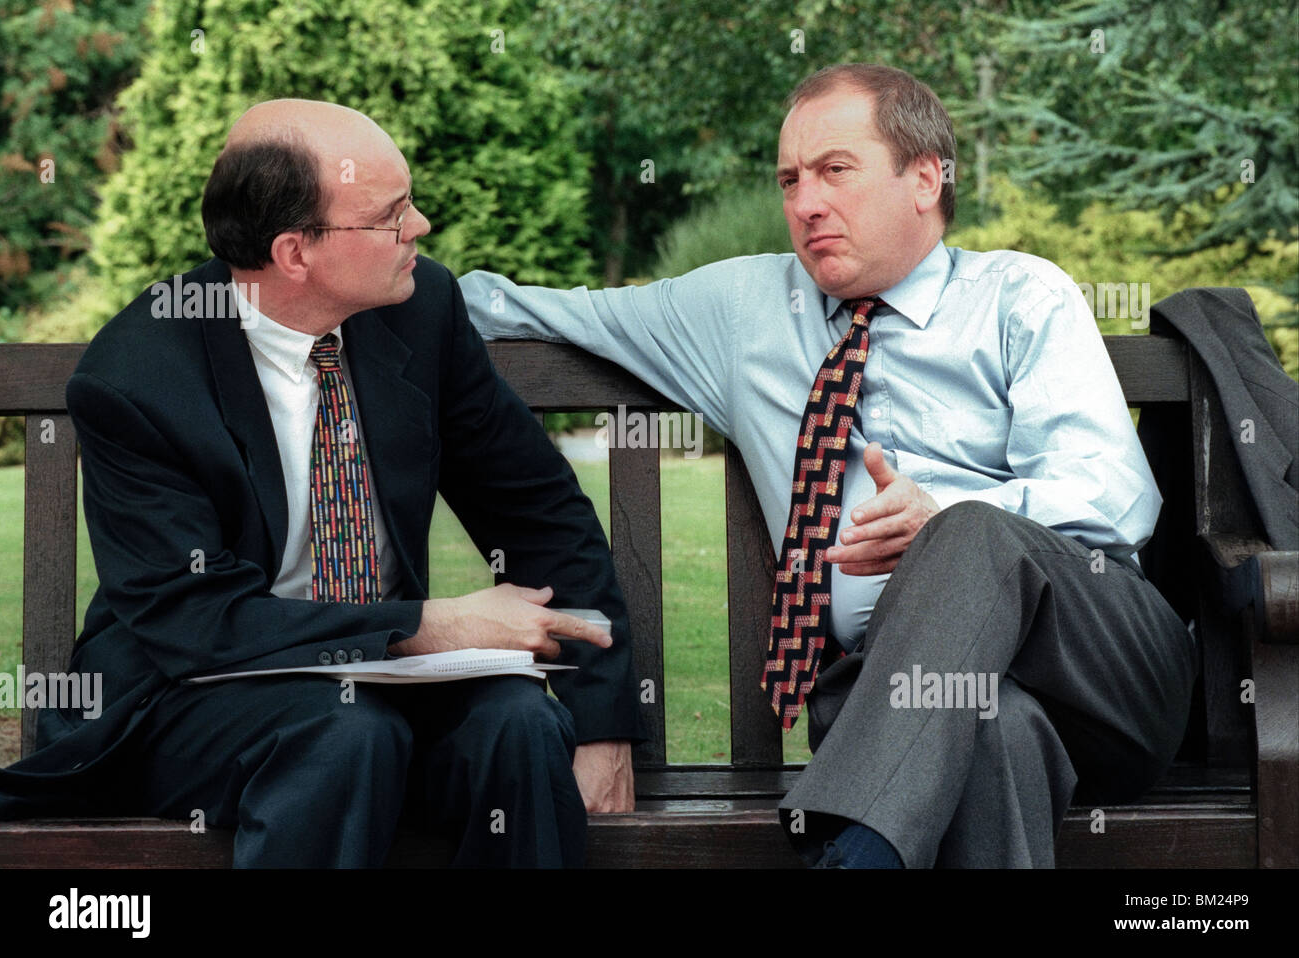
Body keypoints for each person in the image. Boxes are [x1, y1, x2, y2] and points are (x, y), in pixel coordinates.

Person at [457, 63, 1199, 867]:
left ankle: (857, 850)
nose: (806, 202)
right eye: (789, 180)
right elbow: (538, 308)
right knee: (989, 727)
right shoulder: (744, 312)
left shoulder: (1019, 296)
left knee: (968, 534)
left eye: (835, 171)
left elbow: (1112, 496)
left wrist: (939, 516)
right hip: (903, 701)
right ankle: (872, 840)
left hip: (1104, 669)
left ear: (924, 180)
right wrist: (365, 268)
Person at [0, 100, 643, 867]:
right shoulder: (137, 378)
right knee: (344, 733)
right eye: (391, 215)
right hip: (193, 700)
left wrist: (602, 727)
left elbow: (536, 511)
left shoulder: (420, 311)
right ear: (294, 253)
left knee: (521, 724)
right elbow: (197, 624)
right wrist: (426, 624)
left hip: (392, 687)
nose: (422, 227)